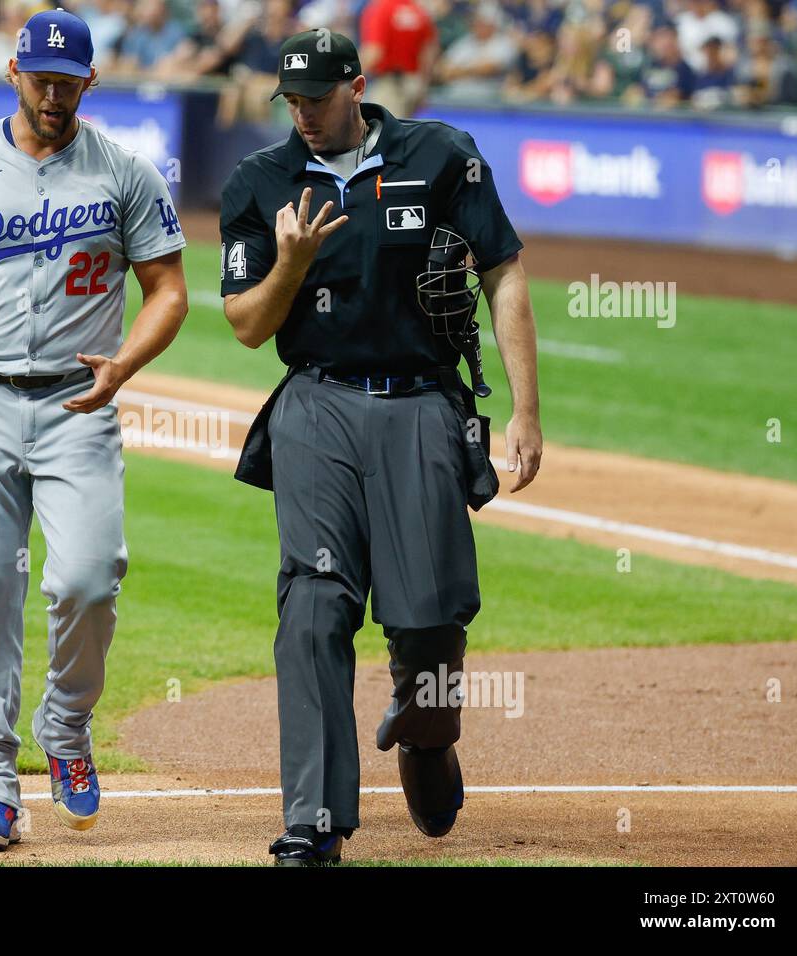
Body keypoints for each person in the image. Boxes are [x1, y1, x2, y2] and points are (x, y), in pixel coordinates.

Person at [219, 28, 542, 866]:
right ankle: (314, 822)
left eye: (317, 100)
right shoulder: (261, 182)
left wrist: (525, 411)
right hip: (317, 405)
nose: (303, 116)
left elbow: (503, 269)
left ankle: (428, 734)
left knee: (431, 622)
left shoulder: (442, 157)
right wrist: (290, 264)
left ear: (356, 87)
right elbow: (249, 325)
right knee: (314, 608)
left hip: (422, 407)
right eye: (290, 102)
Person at [0, 7, 188, 852]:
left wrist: (123, 364)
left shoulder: (125, 173)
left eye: (68, 81)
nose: (53, 94)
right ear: (14, 73)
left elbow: (168, 288)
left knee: (89, 577)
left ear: (90, 82)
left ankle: (66, 724)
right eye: (40, 78)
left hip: (77, 402)